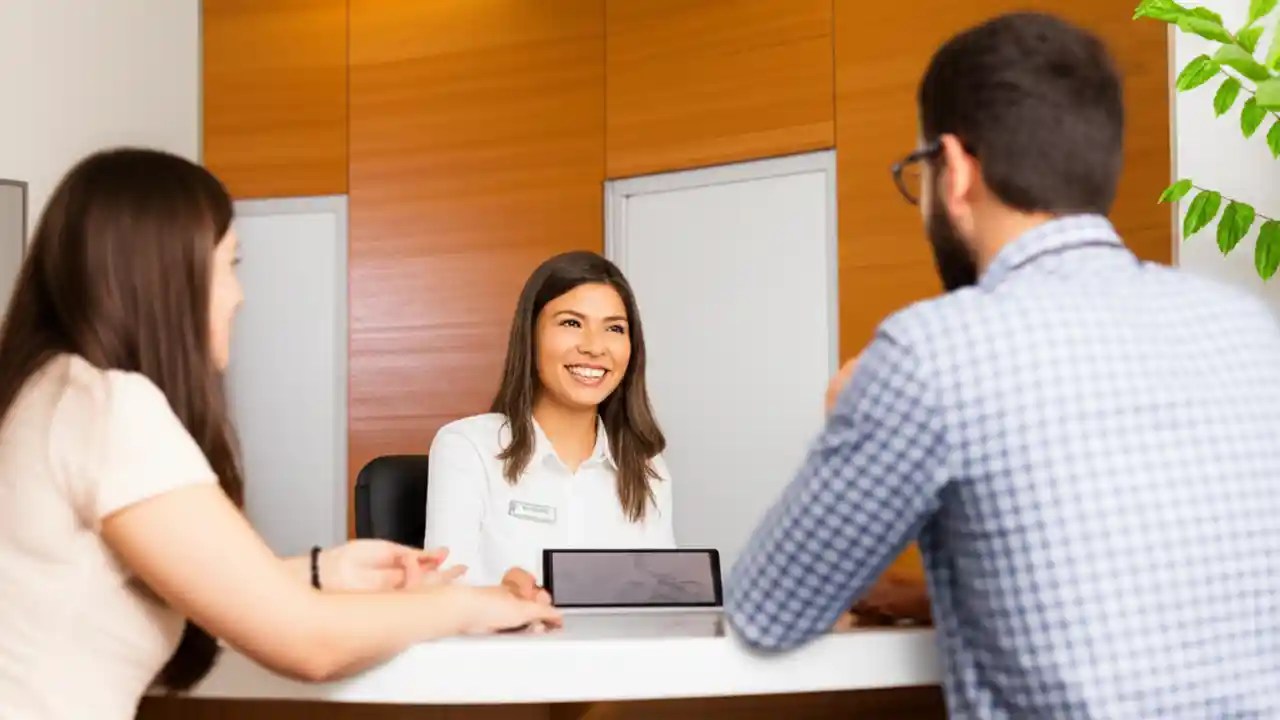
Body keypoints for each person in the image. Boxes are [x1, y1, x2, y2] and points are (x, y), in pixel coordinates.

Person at [725, 11, 1280, 718]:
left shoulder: (932, 352)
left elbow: (766, 613)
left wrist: (849, 415)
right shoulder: (1247, 330)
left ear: (956, 170)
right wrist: (930, 596)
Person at [0, 148, 560, 720]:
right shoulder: (108, 407)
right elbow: (308, 643)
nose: (238, 295)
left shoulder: (48, 393)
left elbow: (144, 584)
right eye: (230, 264)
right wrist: (470, 605)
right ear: (167, 277)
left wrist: (323, 573)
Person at [425, 251, 674, 588]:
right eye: (571, 323)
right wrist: (509, 600)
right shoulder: (468, 447)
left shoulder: (648, 468)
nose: (595, 347)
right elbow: (443, 593)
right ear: (531, 334)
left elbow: (662, 603)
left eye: (614, 328)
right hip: (504, 626)